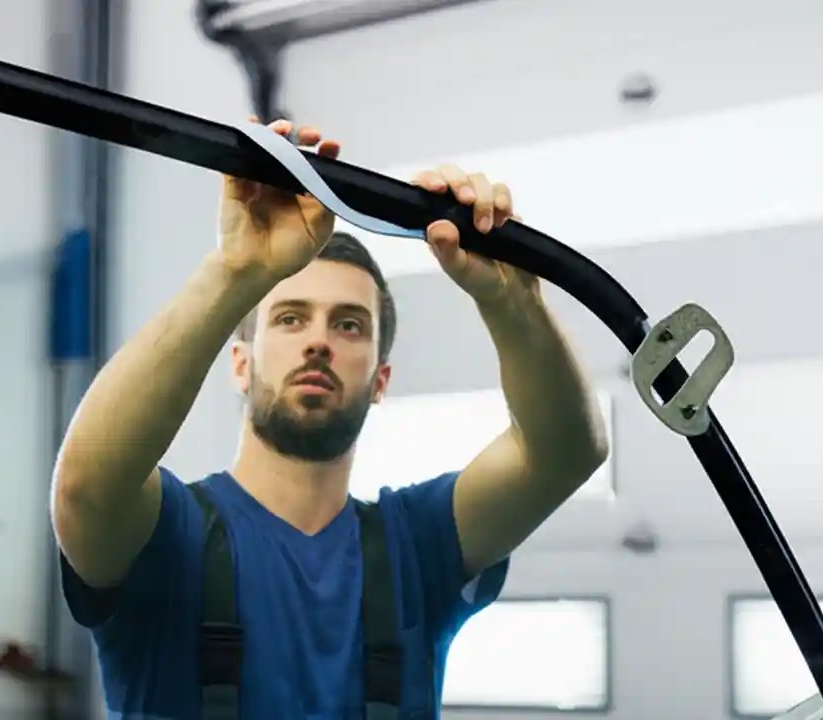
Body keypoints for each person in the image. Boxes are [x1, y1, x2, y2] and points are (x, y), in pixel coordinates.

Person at [51, 119, 609, 719]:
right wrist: (238, 269)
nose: (319, 341)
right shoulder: (170, 535)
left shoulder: (418, 544)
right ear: (240, 365)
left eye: (349, 325)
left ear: (381, 381)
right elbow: (86, 487)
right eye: (290, 318)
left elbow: (563, 454)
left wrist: (513, 301)